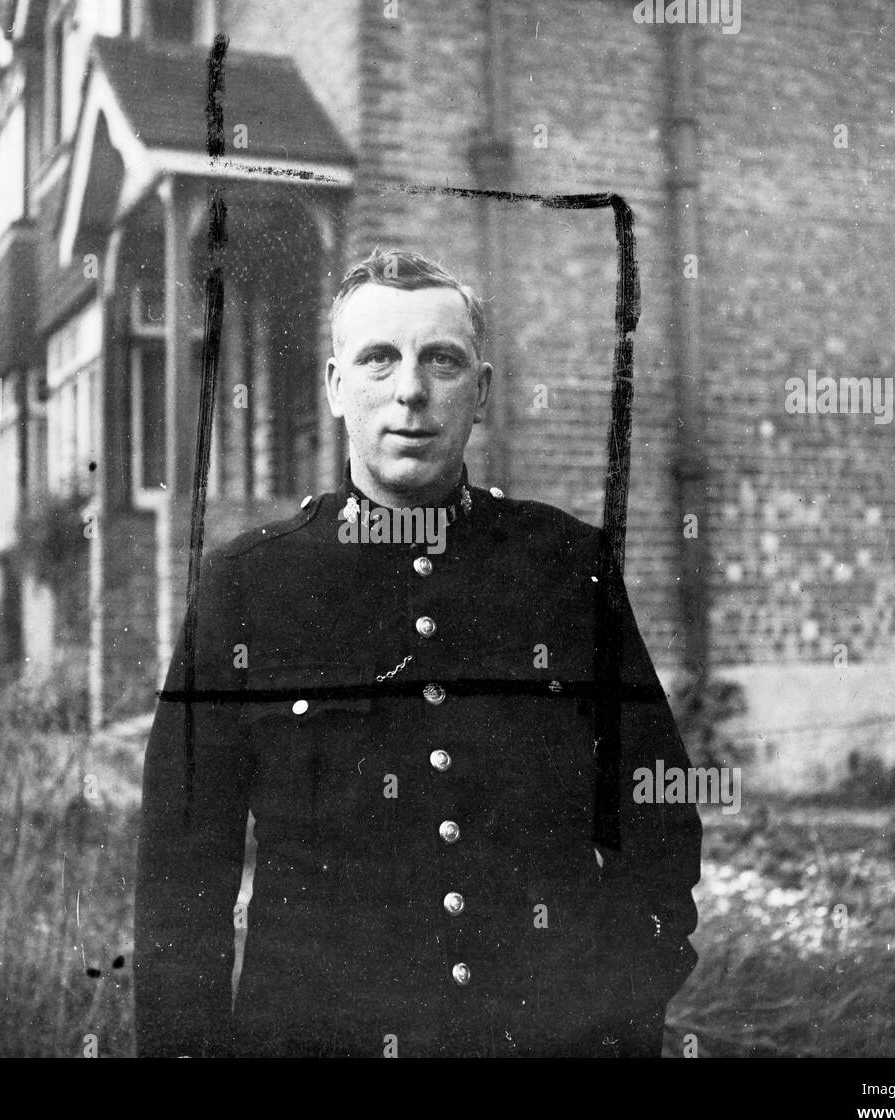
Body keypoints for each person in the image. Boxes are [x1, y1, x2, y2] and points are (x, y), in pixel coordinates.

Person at [135, 249, 702, 1057]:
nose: (411, 391)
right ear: (335, 387)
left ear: (483, 389)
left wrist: (625, 1001)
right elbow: (181, 876)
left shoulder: (562, 566)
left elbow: (655, 803)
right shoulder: (250, 586)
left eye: (442, 359)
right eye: (379, 360)